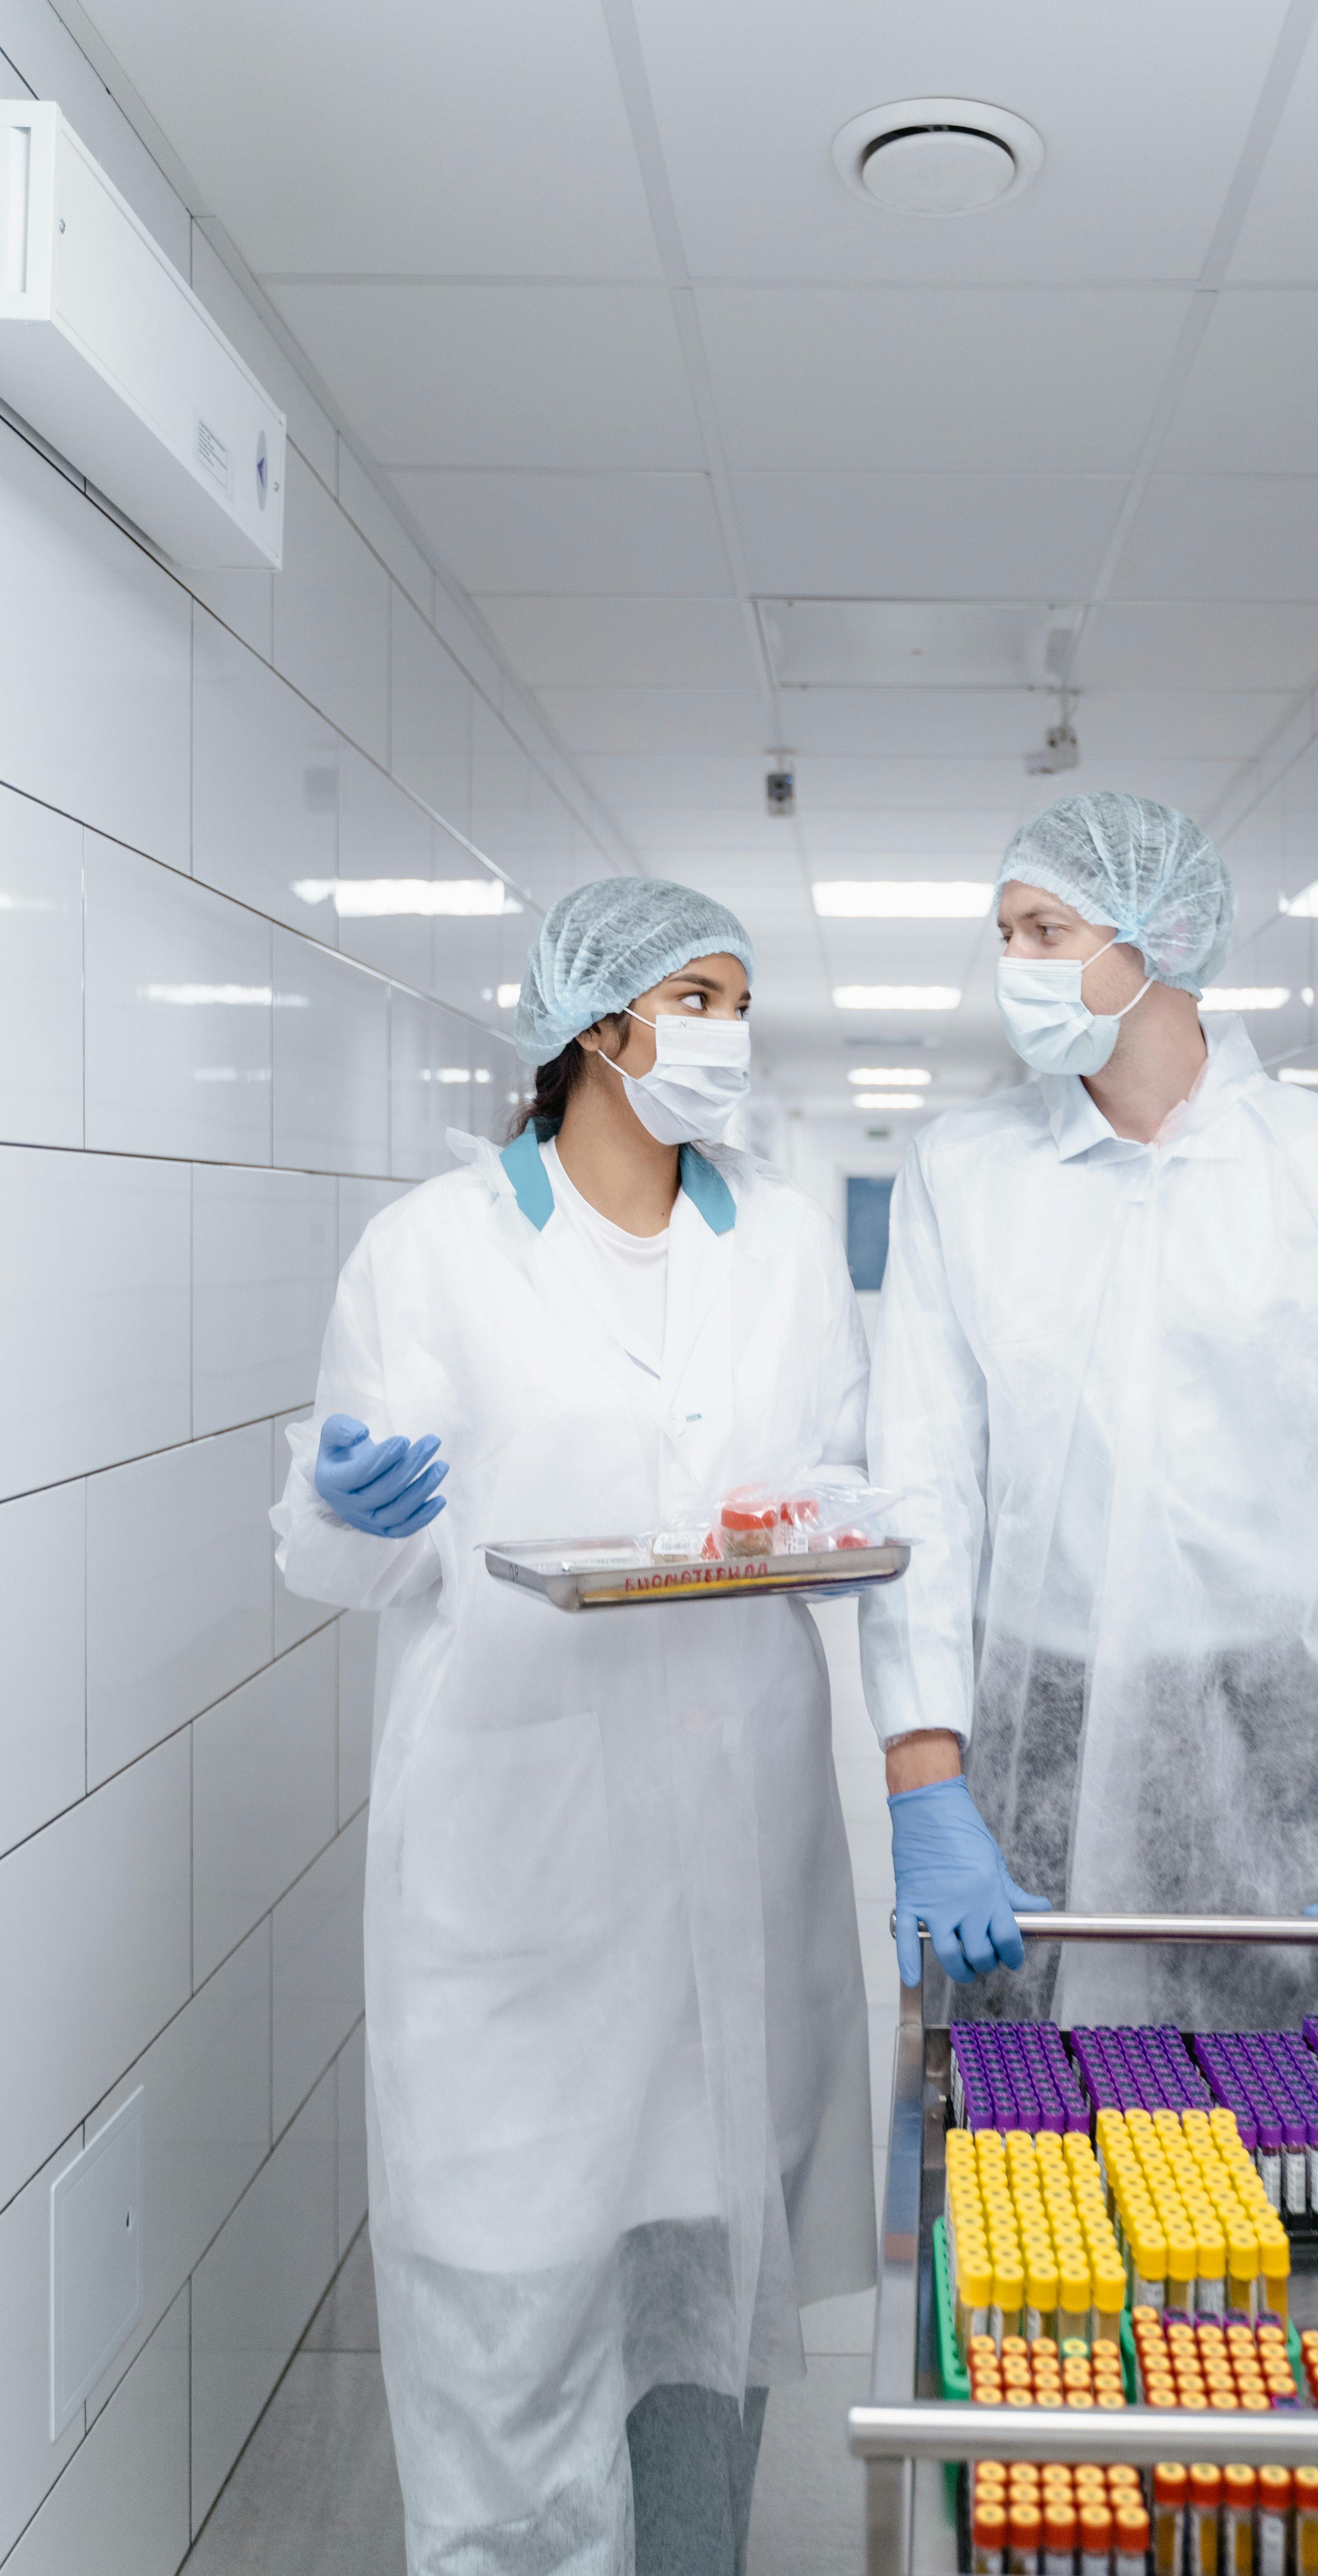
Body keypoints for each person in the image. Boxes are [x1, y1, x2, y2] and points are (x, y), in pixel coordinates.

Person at [272, 877, 875, 2576]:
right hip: (518, 1896)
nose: (727, 1033)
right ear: (596, 1025)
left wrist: (824, 1515)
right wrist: (351, 1507)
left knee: (700, 2335)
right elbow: (343, 1552)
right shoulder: (436, 1249)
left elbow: (830, 1471)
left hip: (730, 1882)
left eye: (740, 998)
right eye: (699, 994)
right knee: (510, 2343)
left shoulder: (784, 1244)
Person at [863, 791, 1318, 2030]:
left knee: (1255, 2175)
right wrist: (923, 1779)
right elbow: (920, 1486)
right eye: (1004, 933)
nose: (1014, 967)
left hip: (1276, 1745)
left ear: (1155, 939)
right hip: (1031, 1732)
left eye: (1045, 930)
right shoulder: (965, 1176)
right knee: (1031, 2159)